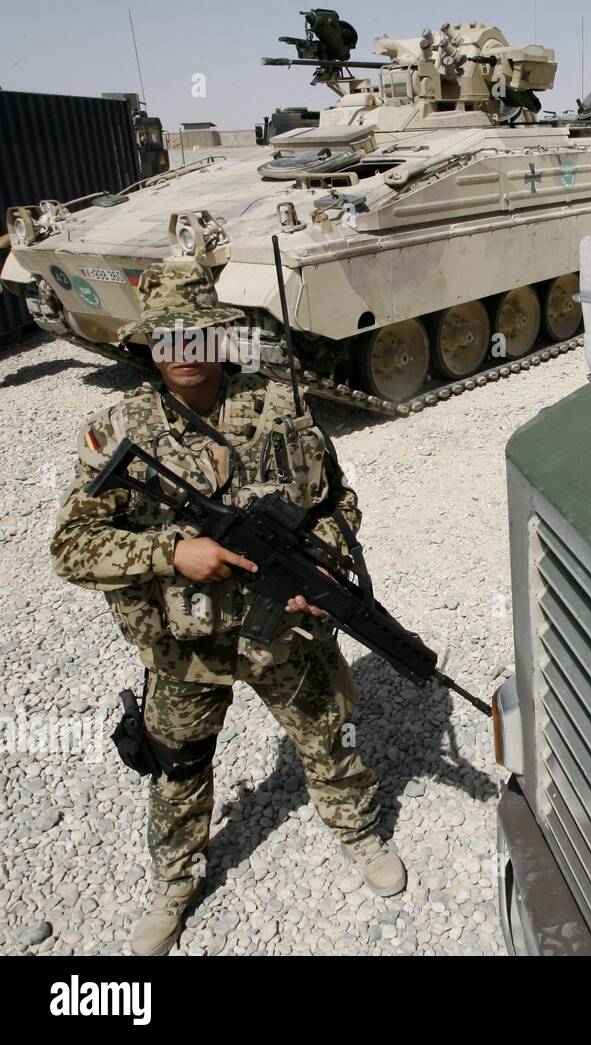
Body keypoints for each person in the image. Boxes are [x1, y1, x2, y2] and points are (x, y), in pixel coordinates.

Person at [50, 259, 405, 956]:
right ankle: (175, 885)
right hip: (184, 647)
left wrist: (319, 568)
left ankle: (361, 833)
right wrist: (169, 552)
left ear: (218, 338)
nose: (184, 352)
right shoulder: (119, 429)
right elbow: (70, 546)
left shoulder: (278, 407)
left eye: (196, 336)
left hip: (284, 632)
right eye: (168, 338)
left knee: (330, 736)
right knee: (177, 768)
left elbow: (337, 505)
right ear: (151, 345)